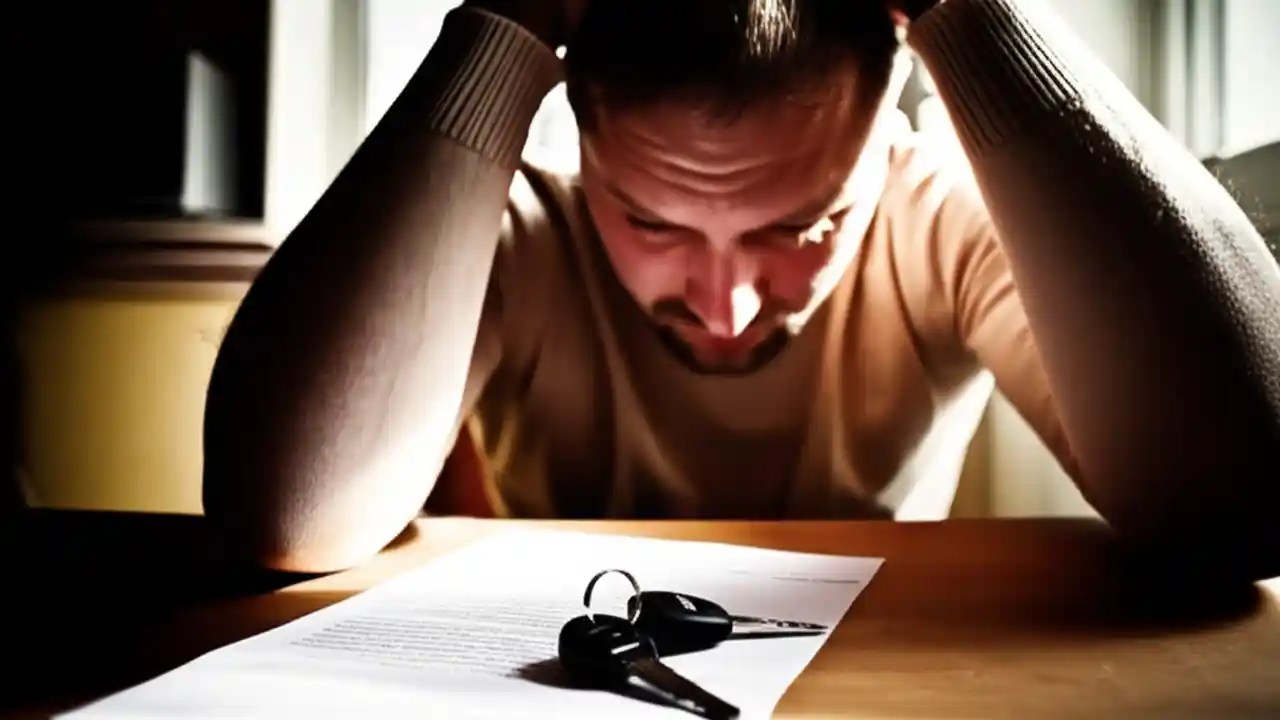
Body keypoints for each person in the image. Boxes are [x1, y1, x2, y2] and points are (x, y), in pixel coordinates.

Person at [202, 0, 1280, 577]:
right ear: (580, 137)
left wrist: (976, 14)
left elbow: (1251, 502)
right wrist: (501, 25)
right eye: (649, 222)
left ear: (885, 133)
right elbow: (287, 517)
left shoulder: (936, 217)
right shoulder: (523, 232)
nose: (724, 307)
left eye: (802, 226)